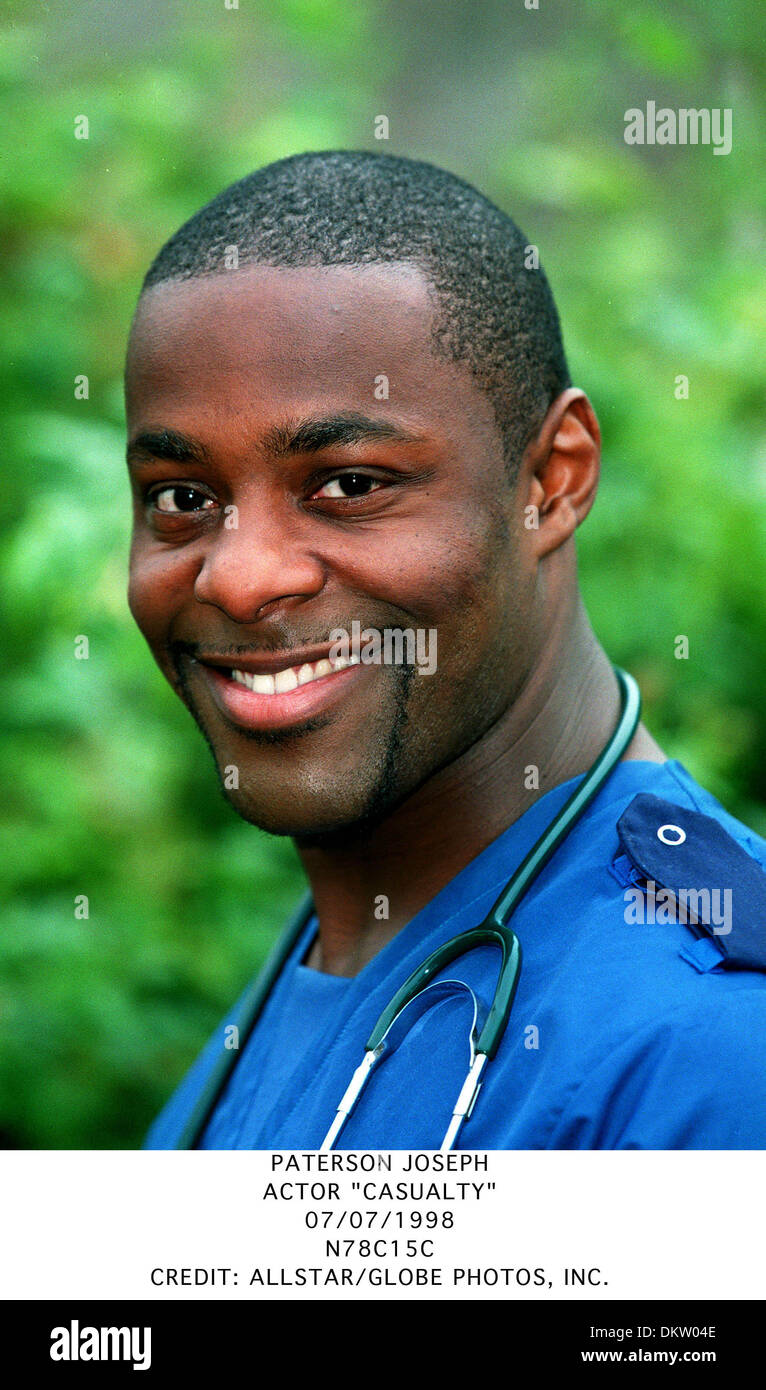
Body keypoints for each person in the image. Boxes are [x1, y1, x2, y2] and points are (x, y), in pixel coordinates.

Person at [125, 150, 766, 1150]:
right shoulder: (340, 949)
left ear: (550, 481)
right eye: (182, 498)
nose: (239, 578)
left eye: (348, 484)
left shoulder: (711, 1047)